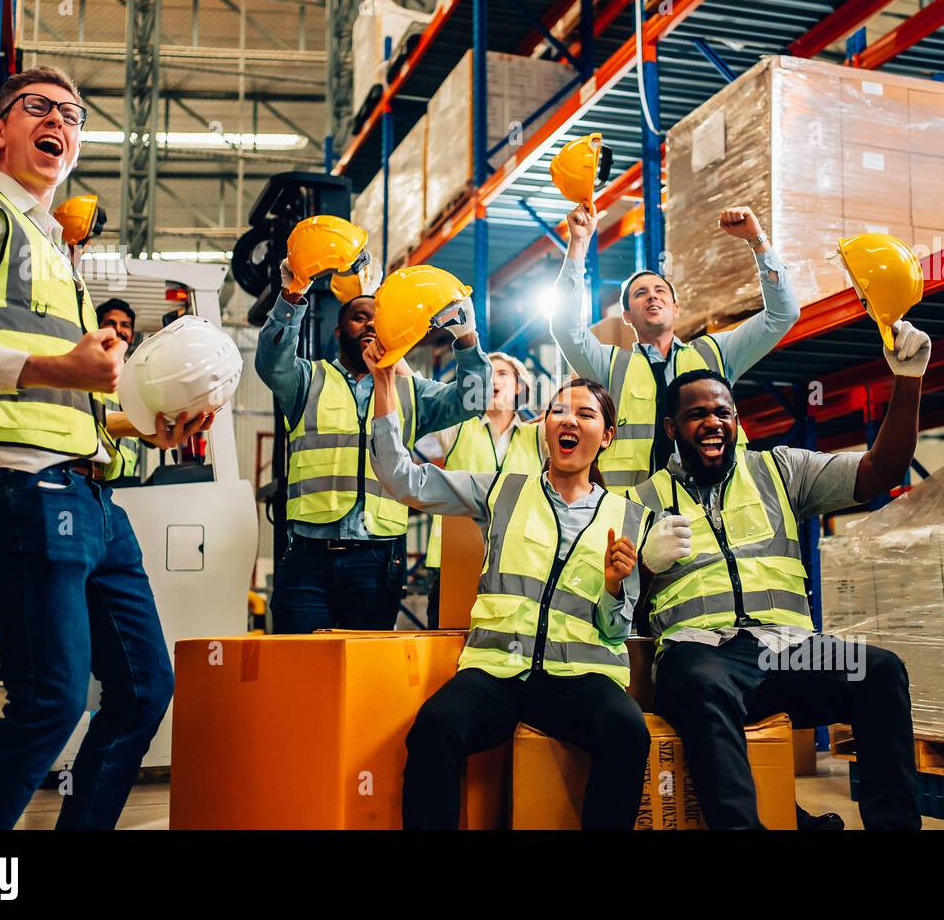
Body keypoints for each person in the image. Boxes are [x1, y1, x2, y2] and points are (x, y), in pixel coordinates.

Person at [0, 65, 212, 829]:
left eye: (72, 115)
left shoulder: (54, 250)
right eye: (38, 108)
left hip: (90, 493)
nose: (59, 122)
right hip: (18, 482)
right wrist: (53, 365)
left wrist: (143, 427)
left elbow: (67, 396)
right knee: (51, 700)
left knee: (142, 689)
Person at [633, 320, 932, 829]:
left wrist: (908, 381)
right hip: (700, 654)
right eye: (697, 414)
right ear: (671, 427)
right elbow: (617, 604)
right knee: (702, 684)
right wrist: (642, 563)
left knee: (880, 670)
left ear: (736, 420)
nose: (713, 423)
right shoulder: (640, 502)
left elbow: (881, 471)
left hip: (789, 650)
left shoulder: (780, 470)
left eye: (722, 413)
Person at [367, 356, 651, 830]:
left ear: (606, 437)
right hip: (498, 672)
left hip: (579, 678)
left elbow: (616, 628)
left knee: (628, 730)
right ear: (546, 427)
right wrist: (383, 387)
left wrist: (614, 588)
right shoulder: (502, 491)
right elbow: (402, 478)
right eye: (560, 410)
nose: (569, 420)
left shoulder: (625, 516)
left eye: (586, 414)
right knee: (435, 726)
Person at [254, 261, 491, 633]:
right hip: (307, 556)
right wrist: (291, 296)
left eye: (376, 319)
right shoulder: (306, 379)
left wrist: (466, 338)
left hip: (377, 559)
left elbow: (473, 399)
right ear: (337, 331)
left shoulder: (412, 391)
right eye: (358, 317)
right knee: (298, 667)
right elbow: (271, 361)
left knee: (364, 671)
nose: (368, 324)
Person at [550, 203, 800, 493]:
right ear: (628, 317)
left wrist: (757, 240)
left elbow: (783, 315)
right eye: (640, 294)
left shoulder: (716, 354)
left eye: (660, 292)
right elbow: (565, 327)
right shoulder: (611, 366)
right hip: (634, 515)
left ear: (676, 309)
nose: (652, 297)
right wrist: (579, 243)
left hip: (710, 506)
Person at [416, 350, 543, 626]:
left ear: (520, 385)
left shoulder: (538, 437)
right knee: (448, 644)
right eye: (486, 375)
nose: (492, 379)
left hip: (519, 561)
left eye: (502, 373)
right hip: (456, 557)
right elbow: (418, 394)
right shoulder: (456, 428)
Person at [95, 297, 142, 478]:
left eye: (125, 325)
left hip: (126, 480)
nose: (118, 330)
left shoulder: (138, 378)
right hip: (92, 477)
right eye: (110, 323)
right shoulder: (86, 369)